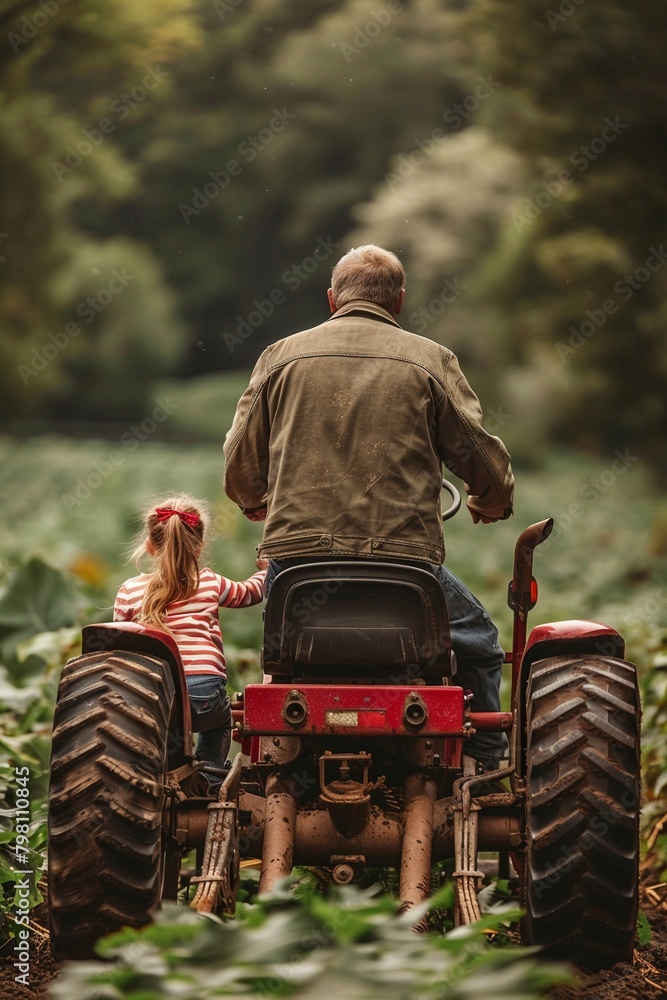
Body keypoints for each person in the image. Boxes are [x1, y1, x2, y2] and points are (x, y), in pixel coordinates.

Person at [223, 245, 514, 772]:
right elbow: (479, 453)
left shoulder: (280, 357)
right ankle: (489, 762)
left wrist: (253, 499)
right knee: (482, 642)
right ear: (398, 302)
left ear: (332, 299)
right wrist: (489, 499)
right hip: (404, 571)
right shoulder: (430, 360)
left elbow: (239, 459)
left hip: (297, 575)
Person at [113, 494, 267, 780]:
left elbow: (120, 646)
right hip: (203, 691)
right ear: (199, 548)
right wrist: (267, 572)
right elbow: (250, 594)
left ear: (149, 545)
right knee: (218, 725)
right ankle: (209, 778)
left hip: (151, 692)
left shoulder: (129, 590)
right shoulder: (209, 582)